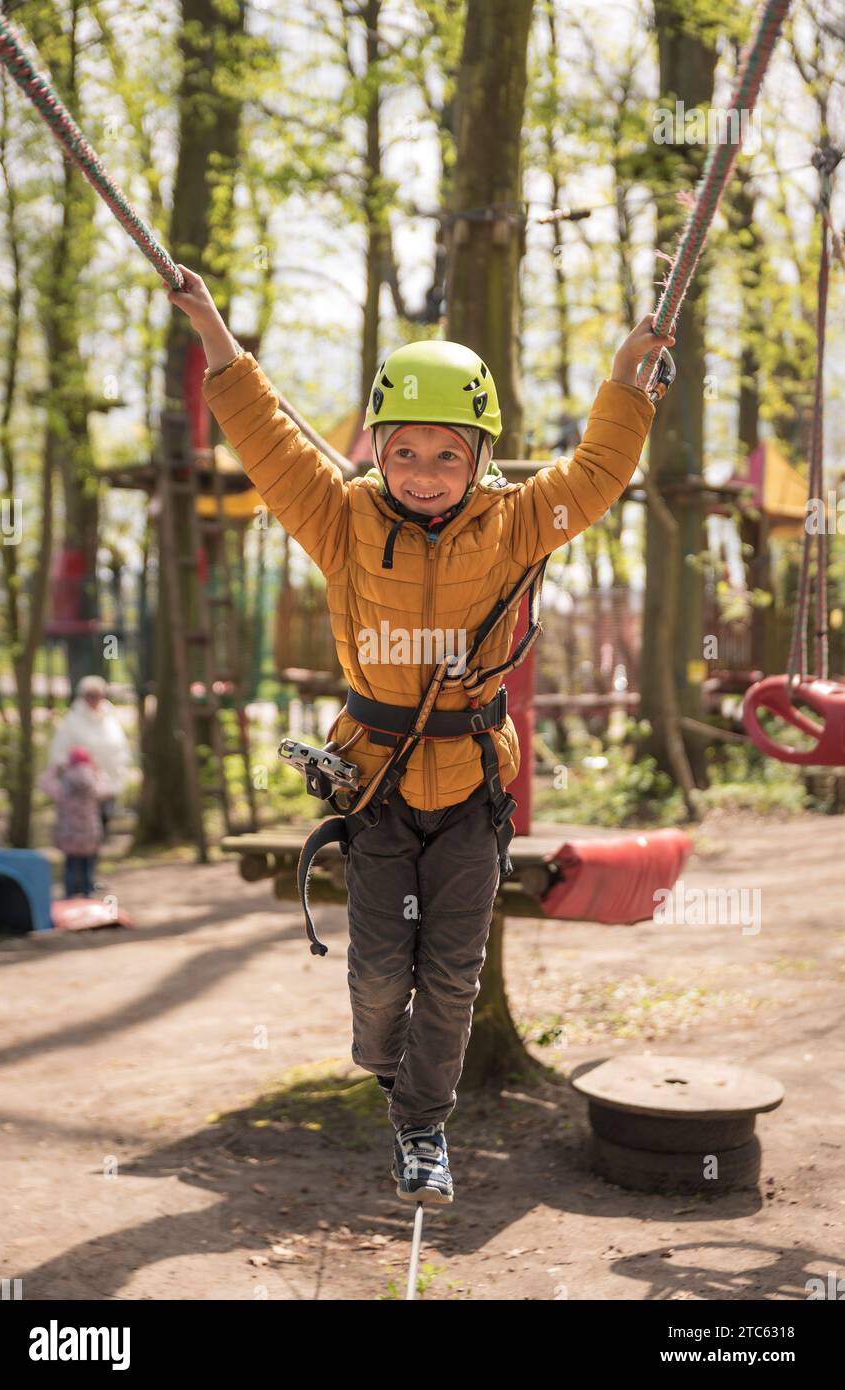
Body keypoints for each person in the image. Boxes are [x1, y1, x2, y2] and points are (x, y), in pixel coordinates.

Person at [168, 263, 672, 1205]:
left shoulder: (518, 524)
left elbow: (597, 472)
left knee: (450, 978)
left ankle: (421, 1131)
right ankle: (382, 1066)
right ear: (379, 452)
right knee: (375, 984)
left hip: (474, 791)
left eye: (449, 456)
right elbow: (269, 442)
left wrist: (625, 375)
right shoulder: (341, 519)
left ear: (481, 459)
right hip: (377, 787)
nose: (427, 476)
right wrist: (213, 334)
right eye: (407, 454)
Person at [43, 675, 131, 839]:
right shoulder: (72, 721)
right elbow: (59, 753)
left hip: (108, 783)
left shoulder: (110, 719)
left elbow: (120, 748)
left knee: (104, 821)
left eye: (98, 695)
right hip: (81, 789)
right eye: (90, 695)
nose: (94, 700)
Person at [49, 746, 109, 898]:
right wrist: (98, 772)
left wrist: (53, 770)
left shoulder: (64, 783)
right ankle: (88, 895)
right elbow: (107, 790)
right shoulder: (93, 781)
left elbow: (45, 785)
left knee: (70, 865)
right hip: (90, 833)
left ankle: (70, 896)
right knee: (88, 865)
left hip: (69, 834)